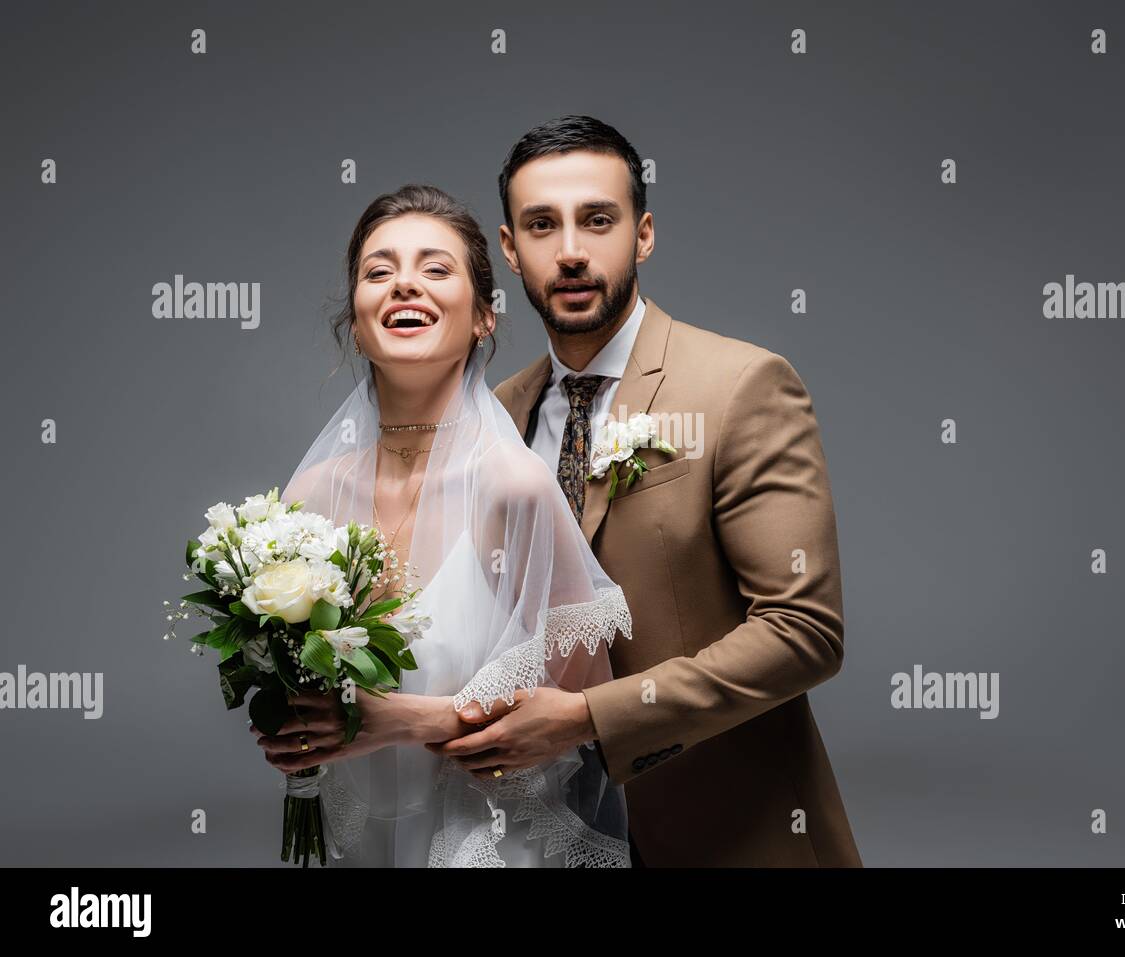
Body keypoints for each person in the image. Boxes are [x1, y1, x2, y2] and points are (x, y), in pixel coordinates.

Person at [435, 115, 862, 866]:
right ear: (509, 249)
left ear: (644, 234)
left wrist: (587, 718)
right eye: (542, 225)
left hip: (727, 832)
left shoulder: (739, 386)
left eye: (597, 220)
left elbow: (804, 631)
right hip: (546, 836)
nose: (570, 251)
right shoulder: (494, 417)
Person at [251, 183, 634, 867]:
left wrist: (400, 721)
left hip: (493, 841)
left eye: (434, 268)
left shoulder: (514, 487)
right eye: (378, 272)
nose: (404, 285)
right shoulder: (310, 495)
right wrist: (296, 734)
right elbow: (305, 692)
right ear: (358, 319)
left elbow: (579, 717)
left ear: (485, 315)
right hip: (363, 842)